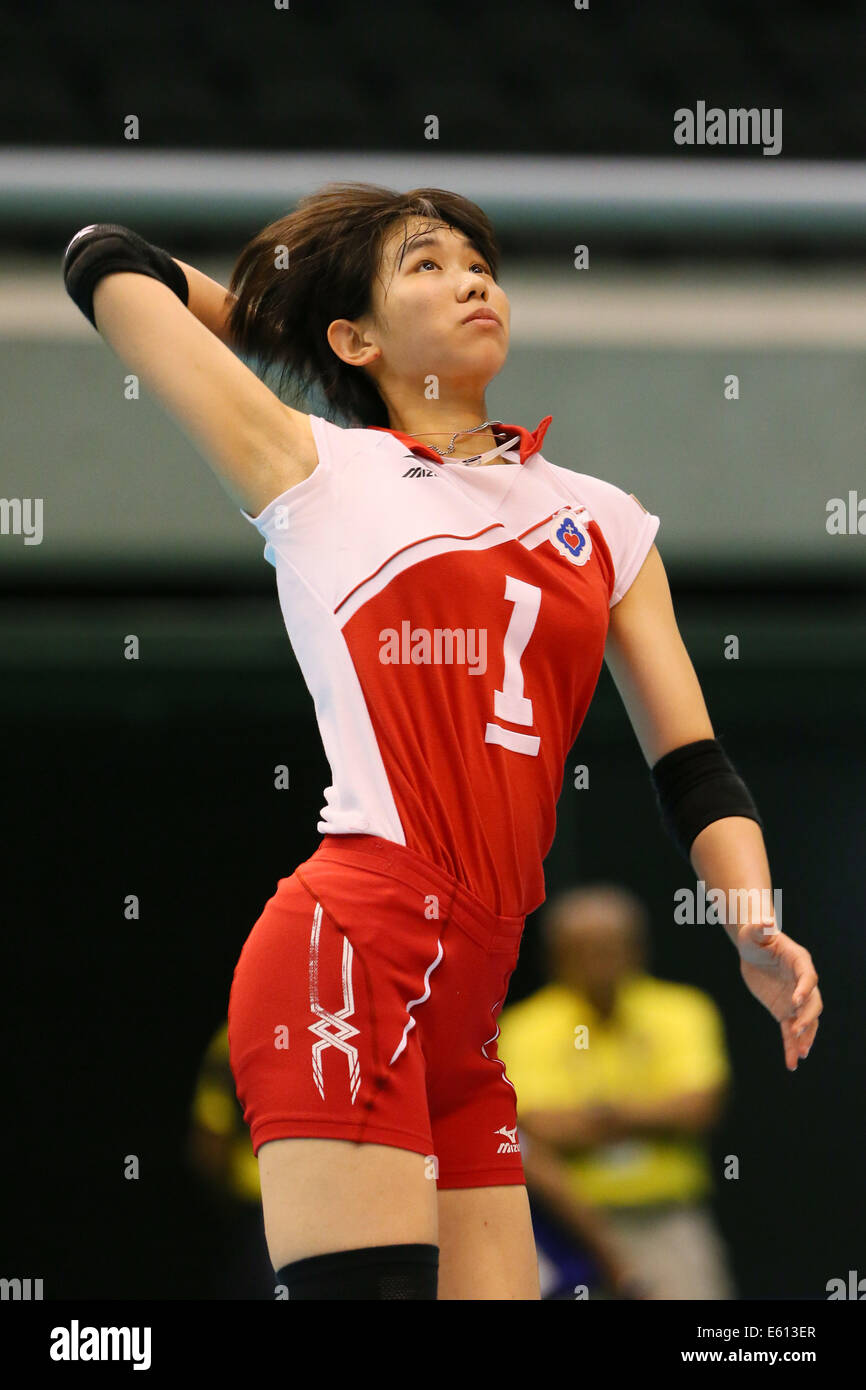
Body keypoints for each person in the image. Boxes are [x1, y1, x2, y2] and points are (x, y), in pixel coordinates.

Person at [62, 183, 822, 1300]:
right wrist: (304, 345)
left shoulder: (604, 520)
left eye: (478, 262)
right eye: (425, 264)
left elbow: (691, 766)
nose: (471, 277)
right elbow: (104, 257)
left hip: (466, 1013)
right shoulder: (313, 468)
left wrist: (750, 915)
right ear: (353, 331)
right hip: (349, 953)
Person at [498, 884, 737, 1299]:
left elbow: (698, 1109)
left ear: (637, 948)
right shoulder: (522, 1028)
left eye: (611, 947)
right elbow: (533, 1130)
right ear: (556, 956)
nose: (600, 962)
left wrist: (594, 1118)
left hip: (668, 1216)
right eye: (585, 949)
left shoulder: (682, 1010)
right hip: (564, 1225)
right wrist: (646, 1117)